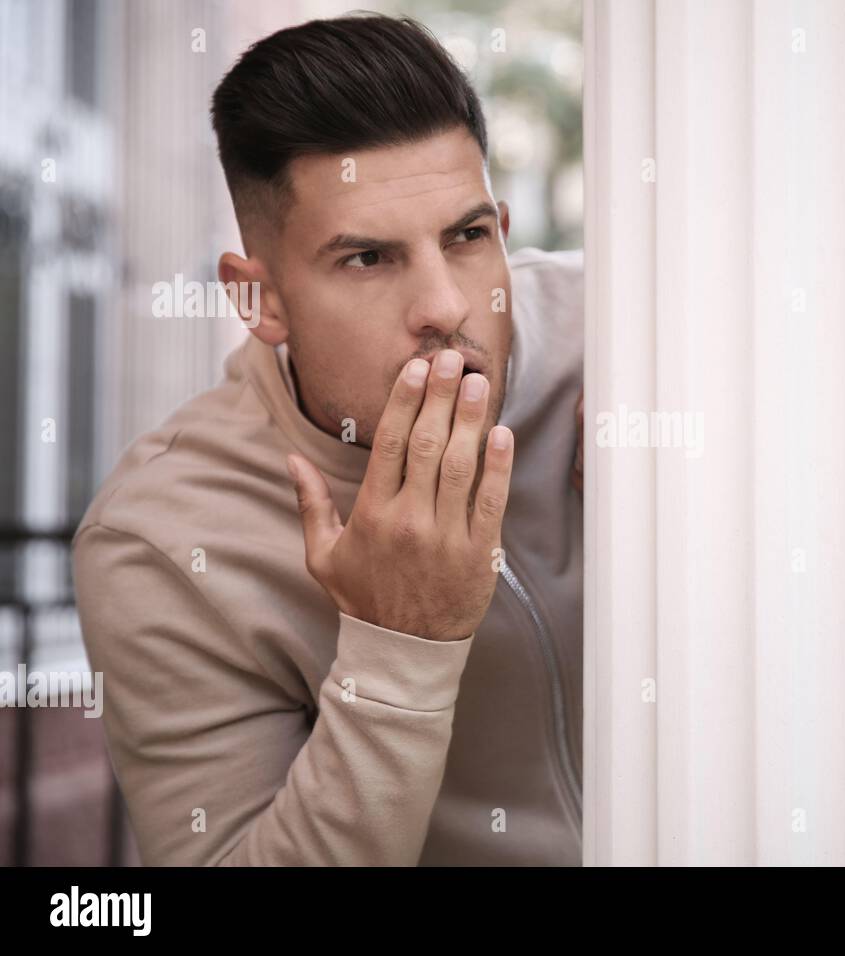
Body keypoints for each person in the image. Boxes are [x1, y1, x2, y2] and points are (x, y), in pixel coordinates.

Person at [72, 13, 583, 865]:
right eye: (368, 259)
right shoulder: (160, 539)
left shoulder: (631, 338)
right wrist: (398, 651)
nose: (446, 307)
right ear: (260, 299)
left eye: (466, 237)